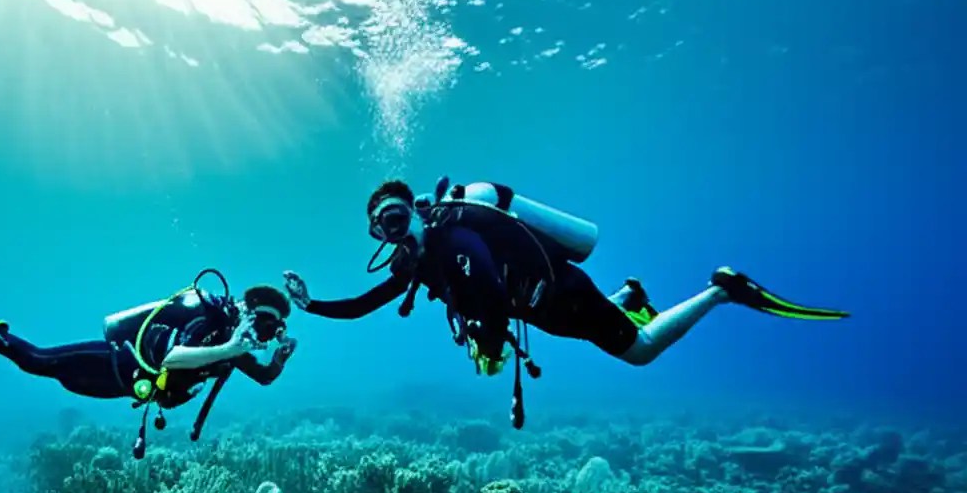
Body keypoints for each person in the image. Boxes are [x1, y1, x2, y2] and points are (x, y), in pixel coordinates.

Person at [284, 176, 847, 428]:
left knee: (643, 350)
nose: (393, 233)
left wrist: (487, 346)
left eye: (396, 218)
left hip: (560, 296)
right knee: (614, 320)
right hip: (549, 311)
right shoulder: (414, 262)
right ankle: (630, 295)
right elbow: (365, 303)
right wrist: (310, 306)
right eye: (381, 229)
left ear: (415, 210)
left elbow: (490, 293)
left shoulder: (454, 238)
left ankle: (723, 289)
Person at [0, 269, 297, 457]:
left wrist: (278, 359)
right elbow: (173, 357)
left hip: (123, 388)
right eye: (262, 323)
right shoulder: (210, 321)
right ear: (247, 311)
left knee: (54, 376)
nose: (261, 335)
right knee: (36, 362)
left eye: (272, 331)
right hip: (115, 363)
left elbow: (262, 377)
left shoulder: (233, 345)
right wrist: (228, 350)